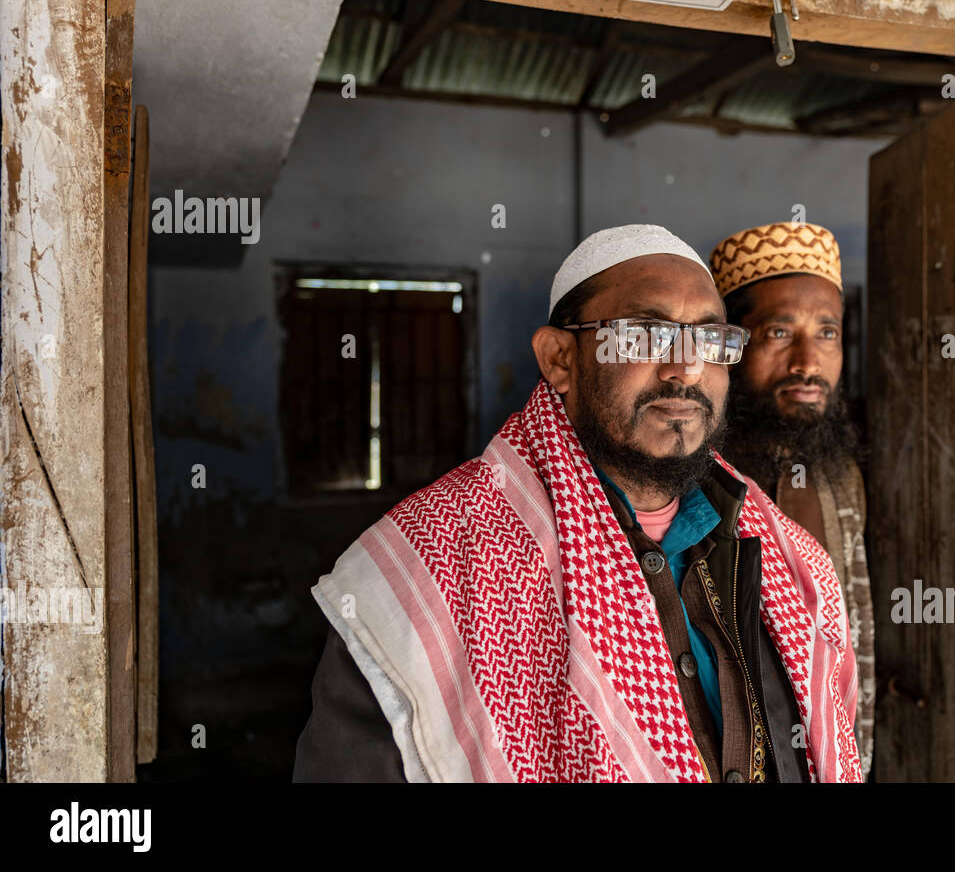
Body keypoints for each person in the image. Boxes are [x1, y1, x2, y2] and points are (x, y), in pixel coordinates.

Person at [293, 224, 862, 783]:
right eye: (644, 335)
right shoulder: (437, 564)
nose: (686, 368)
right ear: (560, 358)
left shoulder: (791, 559)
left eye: (710, 340)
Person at [708, 221, 875, 776]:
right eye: (779, 333)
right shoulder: (687, 481)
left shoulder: (841, 476)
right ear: (730, 341)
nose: (807, 362)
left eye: (827, 333)